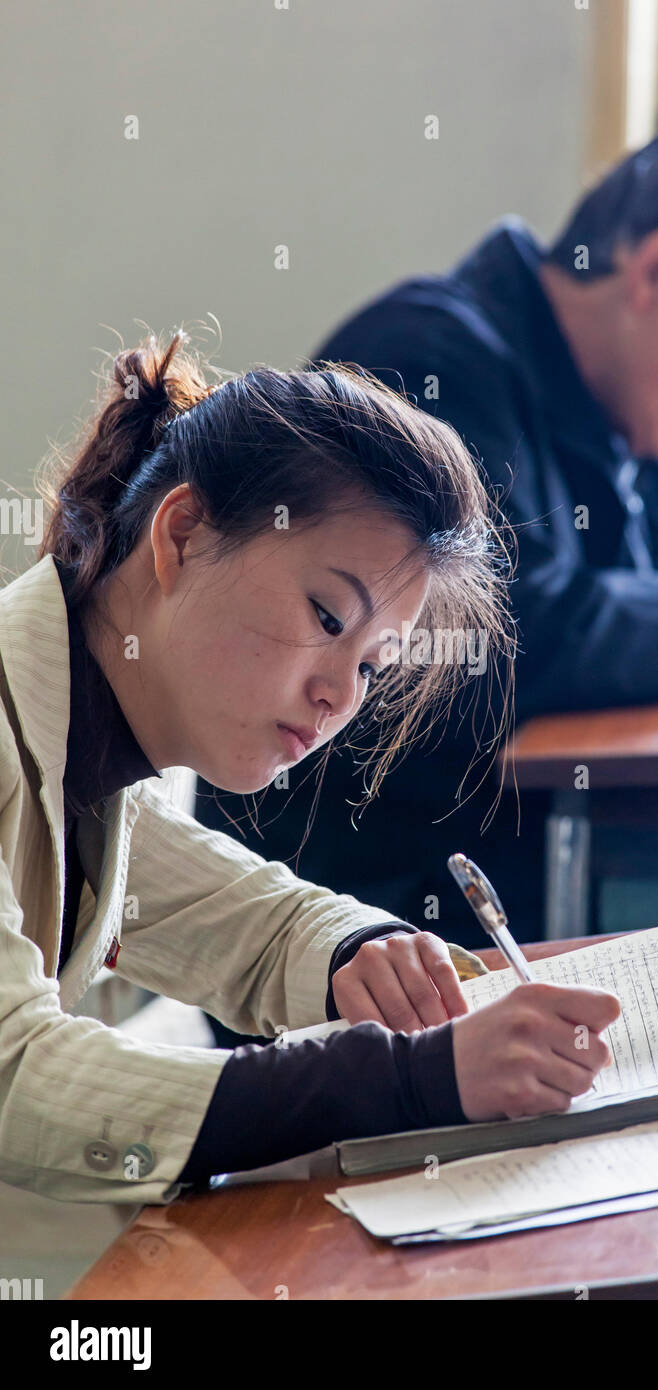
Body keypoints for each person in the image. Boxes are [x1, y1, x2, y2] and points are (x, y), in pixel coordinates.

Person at [196, 125, 658, 947]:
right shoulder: (432, 360)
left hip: (484, 867)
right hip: (352, 913)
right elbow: (515, 639)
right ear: (657, 269)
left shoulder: (606, 398)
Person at [0, 328, 621, 1214]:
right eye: (328, 617)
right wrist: (409, 1078)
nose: (339, 695)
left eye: (373, 665)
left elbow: (234, 916)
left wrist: (359, 953)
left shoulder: (111, 742)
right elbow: (15, 1079)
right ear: (181, 533)